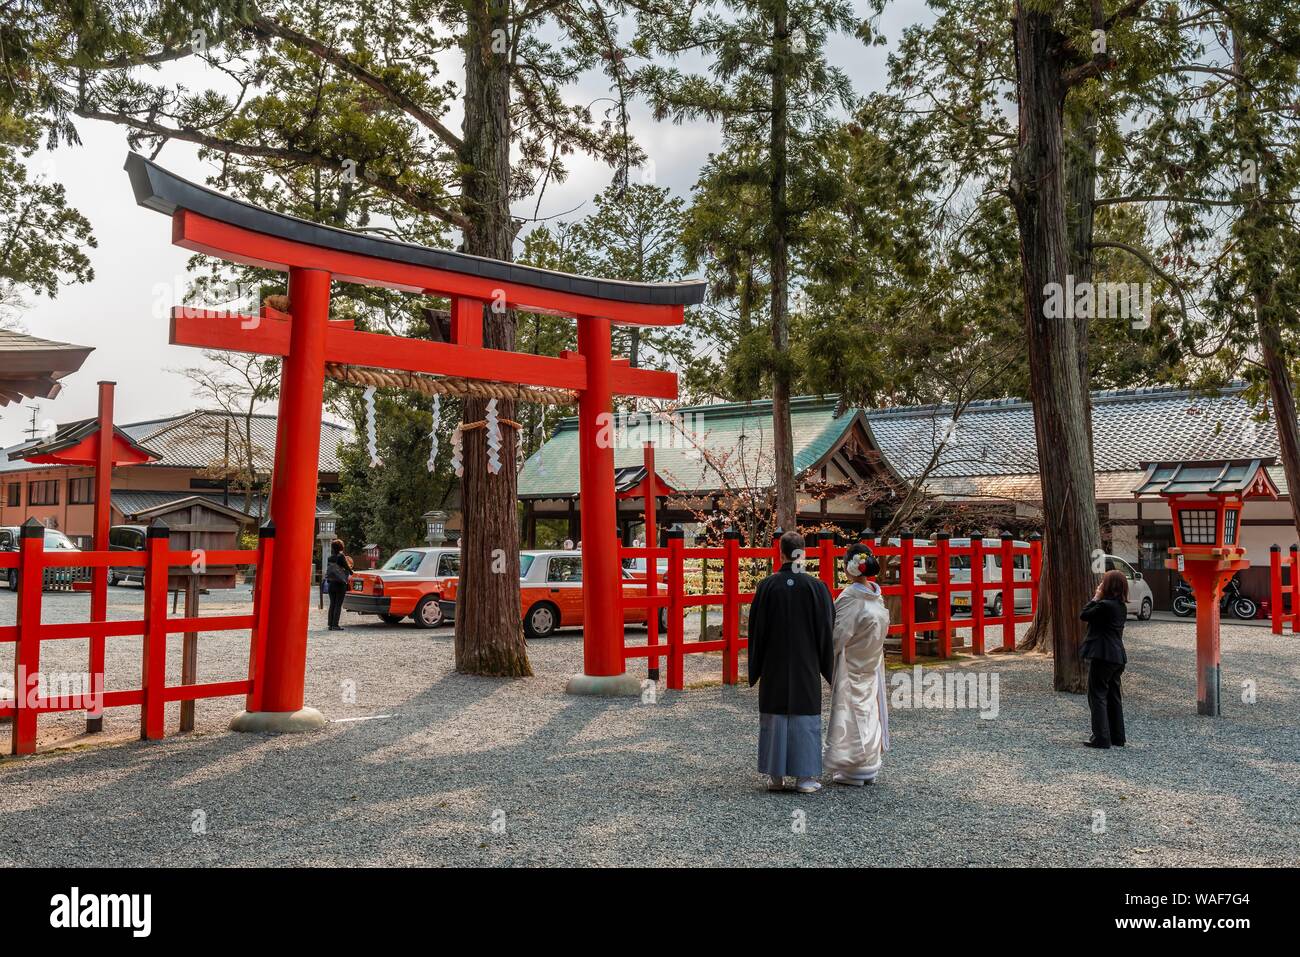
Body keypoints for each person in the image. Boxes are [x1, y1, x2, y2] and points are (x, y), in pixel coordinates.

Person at [748, 530, 835, 794]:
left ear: (780, 552)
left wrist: (757, 665)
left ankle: (775, 776)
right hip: (805, 663)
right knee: (805, 716)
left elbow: (756, 631)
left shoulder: (766, 586)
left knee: (775, 714)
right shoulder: (817, 587)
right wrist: (827, 665)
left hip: (774, 664)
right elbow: (827, 629)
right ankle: (805, 778)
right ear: (803, 552)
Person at [823, 544, 891, 785]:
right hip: (871, 659)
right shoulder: (876, 595)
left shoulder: (851, 596)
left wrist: (826, 654)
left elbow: (839, 634)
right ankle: (870, 763)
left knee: (851, 712)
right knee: (869, 709)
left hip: (852, 662)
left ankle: (853, 766)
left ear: (849, 568)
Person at [1080, 569, 1128, 749]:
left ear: (1108, 586)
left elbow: (1084, 614)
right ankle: (1117, 736)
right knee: (1113, 695)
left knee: (1097, 694)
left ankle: (1101, 737)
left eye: (1102, 582)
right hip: (1118, 657)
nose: (1099, 585)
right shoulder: (1121, 606)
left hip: (1103, 655)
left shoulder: (1104, 605)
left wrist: (1096, 597)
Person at [325, 539, 353, 631]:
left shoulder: (330, 558)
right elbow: (347, 568)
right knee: (338, 604)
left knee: (332, 604)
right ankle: (335, 625)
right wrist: (351, 571)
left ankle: (330, 624)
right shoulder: (341, 556)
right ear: (341, 547)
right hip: (340, 583)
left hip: (331, 583)